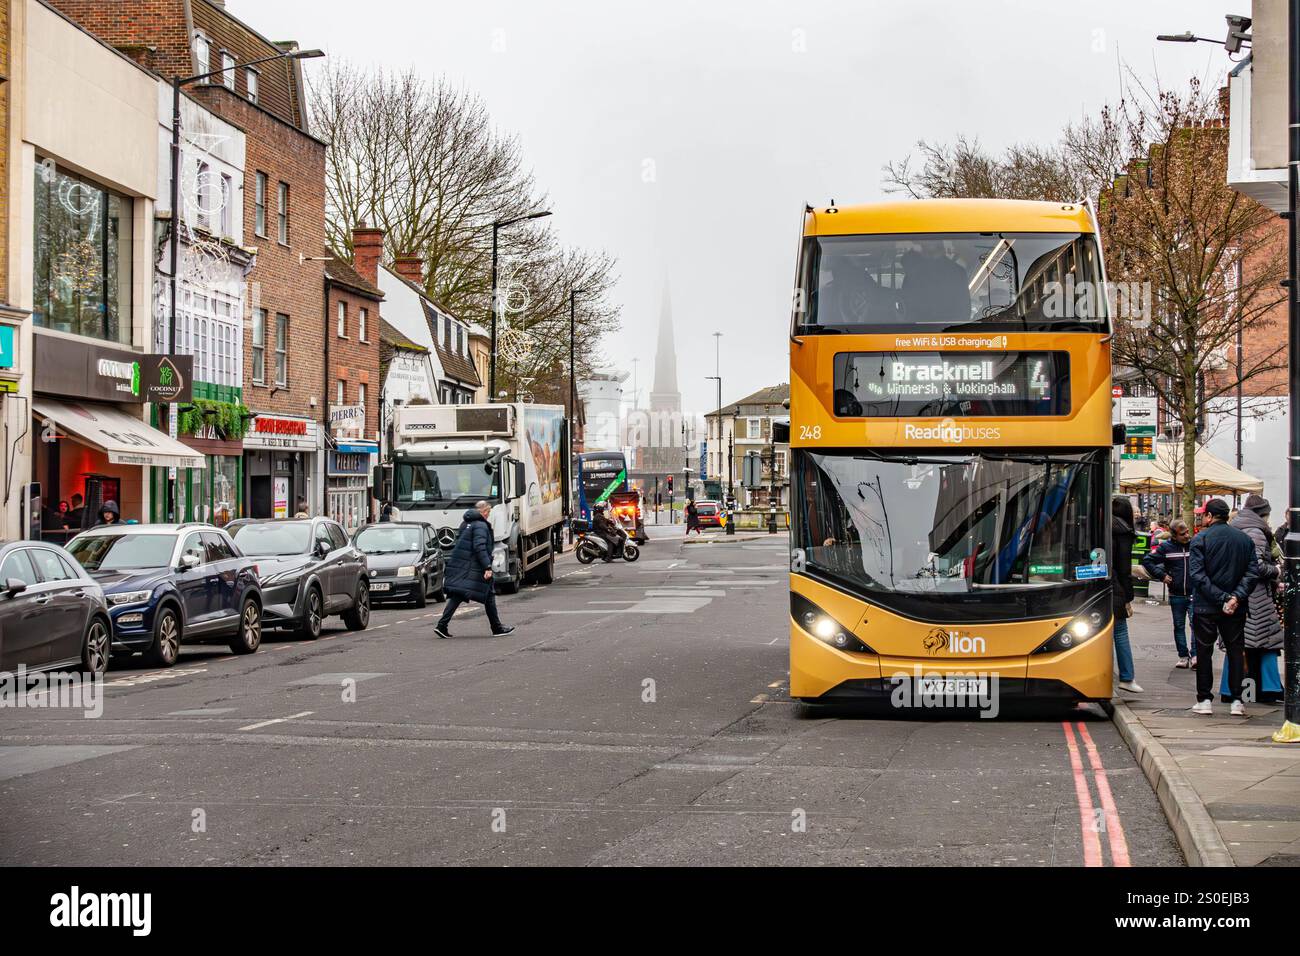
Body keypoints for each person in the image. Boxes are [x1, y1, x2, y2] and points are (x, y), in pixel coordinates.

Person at [1188, 498, 1259, 716]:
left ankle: (1205, 700)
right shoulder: (1245, 541)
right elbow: (1252, 573)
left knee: (1204, 650)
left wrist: (1221, 597)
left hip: (1205, 606)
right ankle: (1237, 701)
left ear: (1209, 516)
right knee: (1236, 651)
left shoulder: (1200, 539)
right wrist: (1234, 597)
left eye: (1203, 515)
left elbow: (1198, 576)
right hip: (1236, 607)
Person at [1226, 495, 1285, 704]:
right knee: (1267, 643)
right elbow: (1258, 566)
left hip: (1236, 592)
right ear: (1263, 513)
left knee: (1237, 644)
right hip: (1256, 596)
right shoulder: (1256, 531)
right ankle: (1267, 689)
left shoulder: (1235, 527)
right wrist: (1276, 570)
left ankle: (1234, 689)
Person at [433, 500, 514, 639]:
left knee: (461, 595)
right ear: (484, 511)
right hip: (475, 567)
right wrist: (487, 566)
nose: (488, 515)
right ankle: (497, 628)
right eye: (488, 512)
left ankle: (442, 625)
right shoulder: (481, 526)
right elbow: (479, 547)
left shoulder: (466, 523)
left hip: (464, 566)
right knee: (483, 595)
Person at [1142, 519, 1194, 668]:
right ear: (1174, 535)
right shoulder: (1166, 548)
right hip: (1176, 593)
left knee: (1195, 624)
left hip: (1194, 592)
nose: (1187, 536)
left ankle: (1195, 655)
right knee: (1179, 625)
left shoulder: (1194, 545)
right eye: (1183, 534)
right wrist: (1162, 575)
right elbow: (1147, 561)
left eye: (1187, 532)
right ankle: (1183, 656)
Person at [1112, 496, 1143, 693]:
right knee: (1120, 631)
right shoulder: (1123, 532)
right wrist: (1128, 597)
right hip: (1115, 589)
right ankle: (1126, 676)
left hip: (1098, 585)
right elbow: (1123, 569)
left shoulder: (1103, 526)